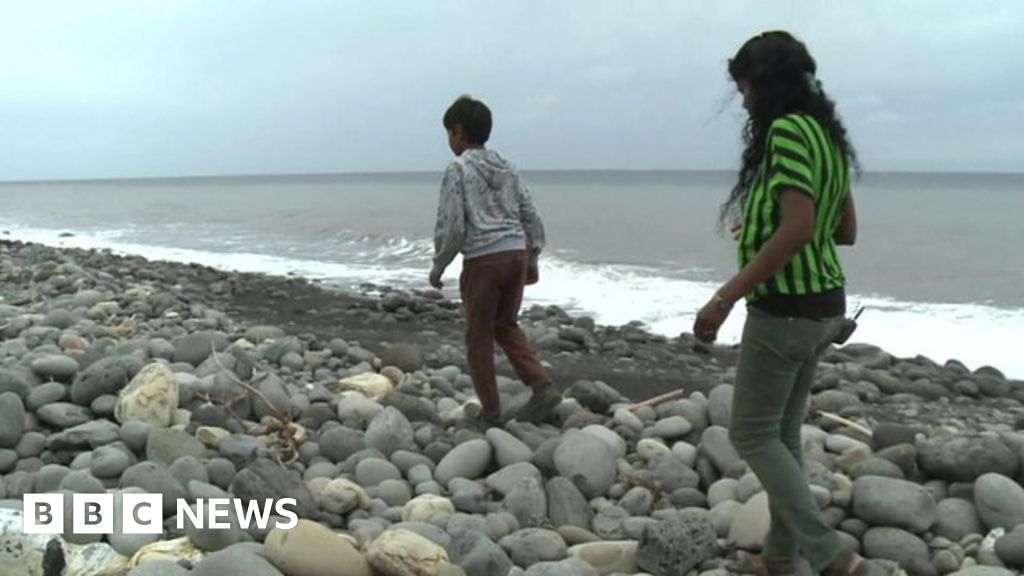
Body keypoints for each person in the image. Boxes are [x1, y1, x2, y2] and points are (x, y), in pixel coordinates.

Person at [692, 31, 884, 576]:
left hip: (787, 309)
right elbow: (842, 229)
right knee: (781, 436)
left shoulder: (789, 131)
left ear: (767, 83)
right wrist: (759, 227)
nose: (745, 100)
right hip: (824, 307)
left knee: (750, 433)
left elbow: (800, 227)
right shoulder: (827, 137)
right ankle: (779, 557)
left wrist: (724, 297)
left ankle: (831, 555)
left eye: (747, 87)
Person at [430, 94, 559, 430]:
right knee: (505, 325)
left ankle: (490, 413)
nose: (449, 141)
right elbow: (529, 211)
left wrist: (439, 264)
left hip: (484, 259)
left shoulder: (457, 169)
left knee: (479, 336)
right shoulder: (506, 165)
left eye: (449, 133)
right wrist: (533, 254)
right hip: (515, 252)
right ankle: (541, 385)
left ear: (458, 132)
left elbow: (453, 225)